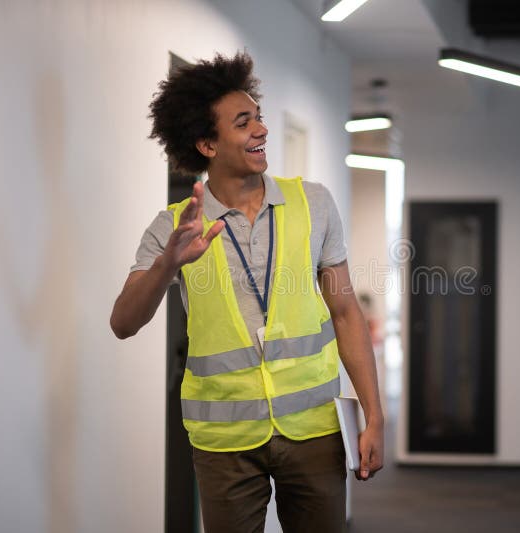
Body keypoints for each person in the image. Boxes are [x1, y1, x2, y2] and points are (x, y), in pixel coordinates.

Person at [110, 51, 384, 533]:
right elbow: (123, 323)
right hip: (224, 440)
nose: (262, 129)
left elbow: (345, 312)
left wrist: (374, 416)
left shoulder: (313, 203)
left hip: (313, 428)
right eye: (244, 123)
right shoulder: (174, 227)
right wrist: (166, 265)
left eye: (258, 116)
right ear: (207, 144)